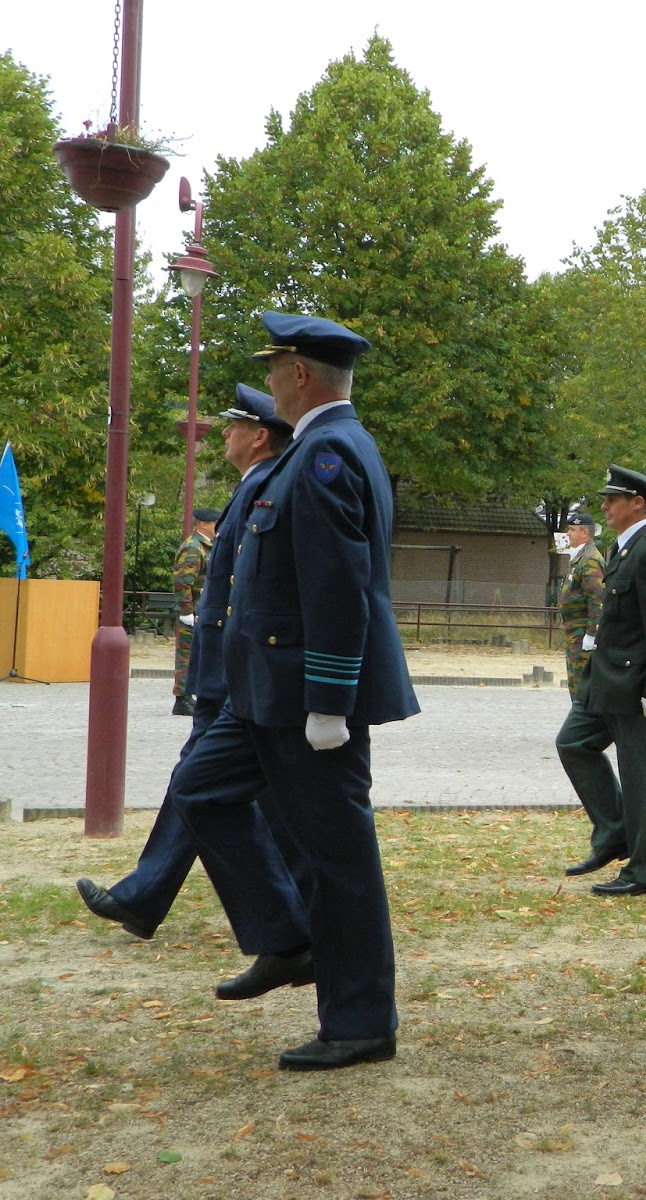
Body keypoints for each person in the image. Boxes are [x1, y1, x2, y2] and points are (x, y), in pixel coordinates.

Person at [173, 311, 420, 1070]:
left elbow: (339, 588)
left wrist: (329, 702)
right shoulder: (319, 449)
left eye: (275, 366)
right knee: (199, 792)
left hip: (305, 700)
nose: (269, 378)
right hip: (263, 696)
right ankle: (287, 939)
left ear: (302, 375)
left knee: (339, 857)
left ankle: (359, 1022)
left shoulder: (329, 455)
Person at [77, 385, 301, 941]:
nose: (223, 433)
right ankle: (146, 897)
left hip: (240, 680)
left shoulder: (268, 490)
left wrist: (225, 679)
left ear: (260, 437)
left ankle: (292, 919)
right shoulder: (249, 491)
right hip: (226, 678)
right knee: (211, 787)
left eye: (234, 425)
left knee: (211, 786)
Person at [555, 466, 646, 896]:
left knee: (639, 774)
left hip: (635, 686)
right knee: (573, 742)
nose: (605, 507)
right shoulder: (623, 549)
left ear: (637, 504)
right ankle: (614, 833)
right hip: (605, 679)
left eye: (613, 499)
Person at [170, 506, 220, 716]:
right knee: (186, 654)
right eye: (214, 524)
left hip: (201, 608)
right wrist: (186, 611)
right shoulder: (193, 547)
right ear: (203, 525)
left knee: (196, 653)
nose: (217, 527)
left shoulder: (205, 546)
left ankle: (192, 695)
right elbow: (183, 582)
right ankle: (182, 700)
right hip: (192, 609)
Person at [558, 512, 604, 698]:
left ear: (585, 533)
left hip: (582, 634)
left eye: (572, 530)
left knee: (583, 692)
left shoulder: (590, 560)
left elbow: (597, 601)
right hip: (574, 634)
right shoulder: (579, 558)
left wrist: (591, 634)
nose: (568, 534)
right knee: (577, 689)